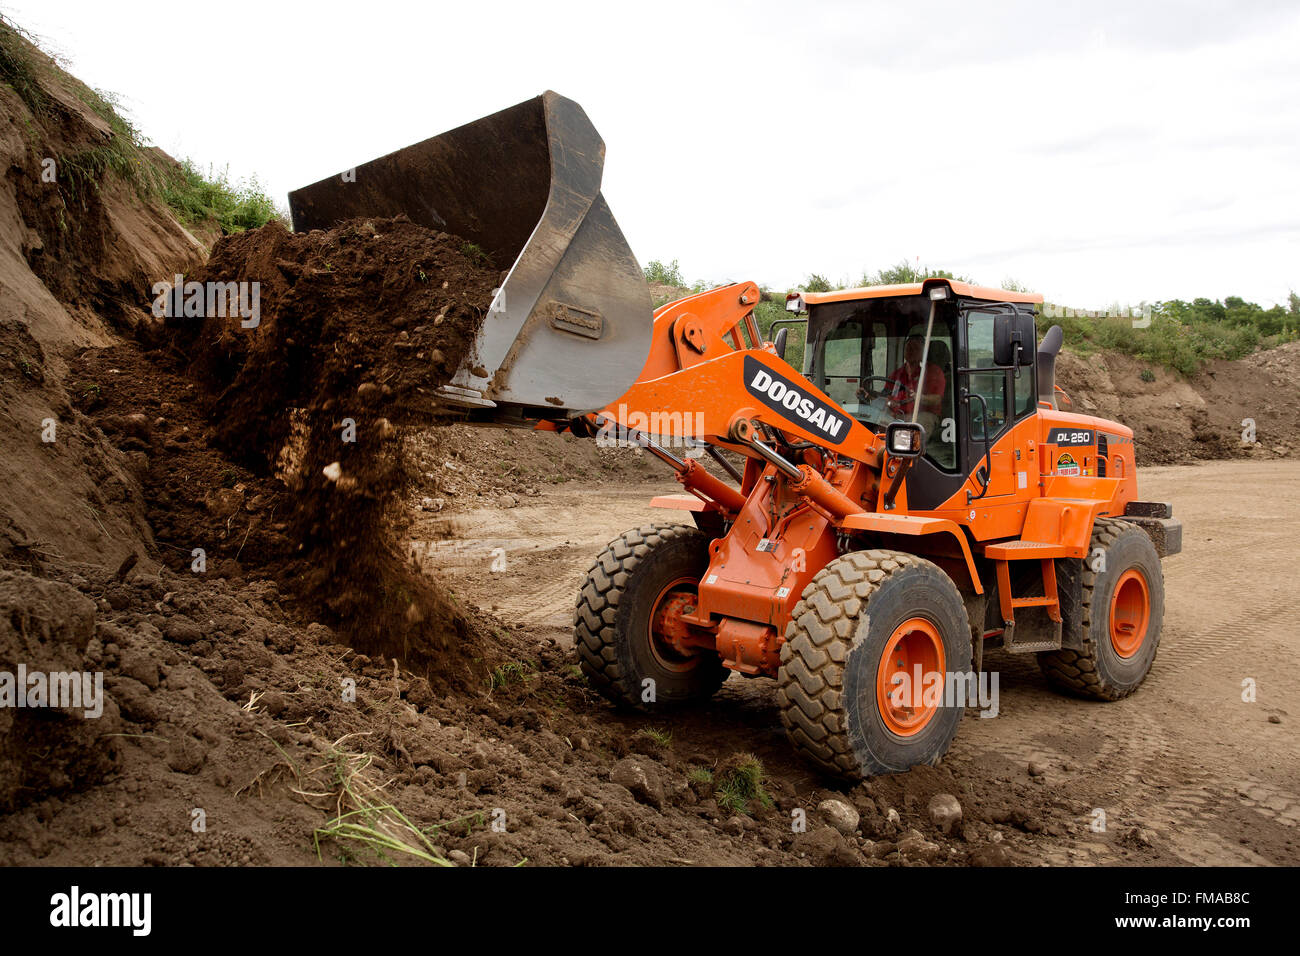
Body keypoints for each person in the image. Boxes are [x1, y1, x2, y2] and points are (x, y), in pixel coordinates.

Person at [885, 335, 945, 418]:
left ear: (923, 352)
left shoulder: (933, 372)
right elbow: (886, 397)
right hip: (898, 416)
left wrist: (920, 398)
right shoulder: (896, 374)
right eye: (908, 348)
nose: (911, 351)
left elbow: (937, 399)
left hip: (924, 415)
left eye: (916, 348)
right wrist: (869, 396)